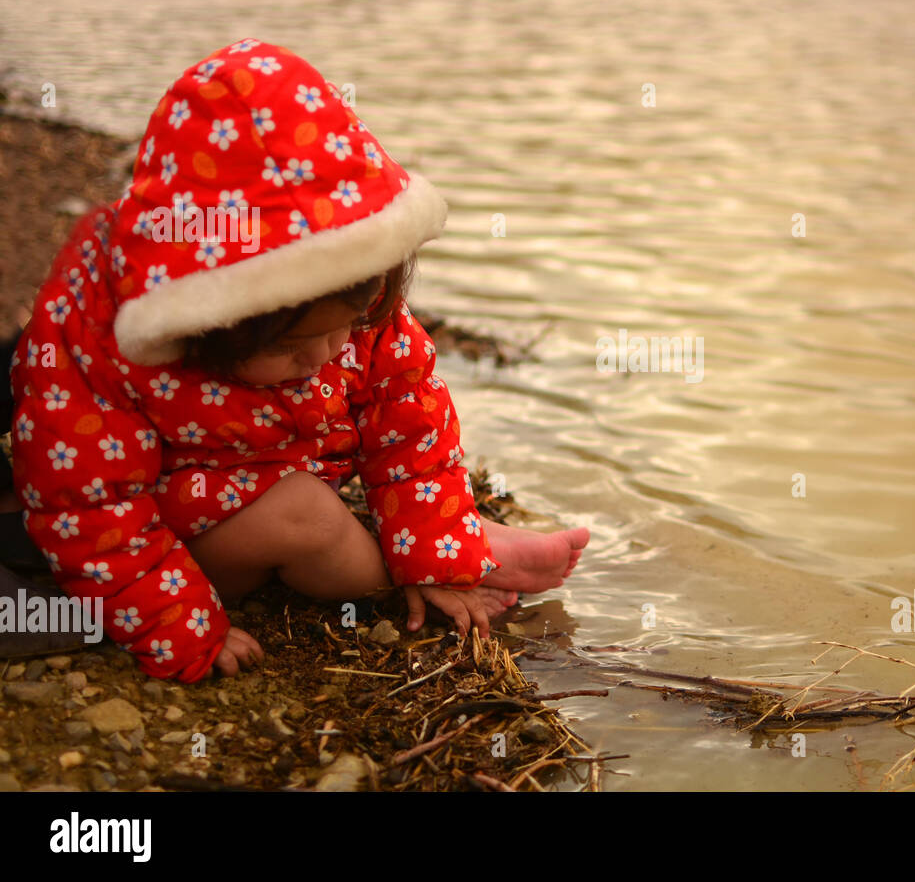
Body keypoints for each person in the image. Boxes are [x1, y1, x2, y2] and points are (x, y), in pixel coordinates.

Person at [6, 40, 588, 682]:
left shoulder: (342, 297)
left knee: (383, 493)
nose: (328, 354)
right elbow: (93, 509)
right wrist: (180, 627)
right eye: (288, 347)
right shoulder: (104, 340)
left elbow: (410, 427)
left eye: (348, 326)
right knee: (306, 518)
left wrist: (436, 553)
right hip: (182, 516)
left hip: (281, 459)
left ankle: (458, 545)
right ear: (207, 325)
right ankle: (405, 564)